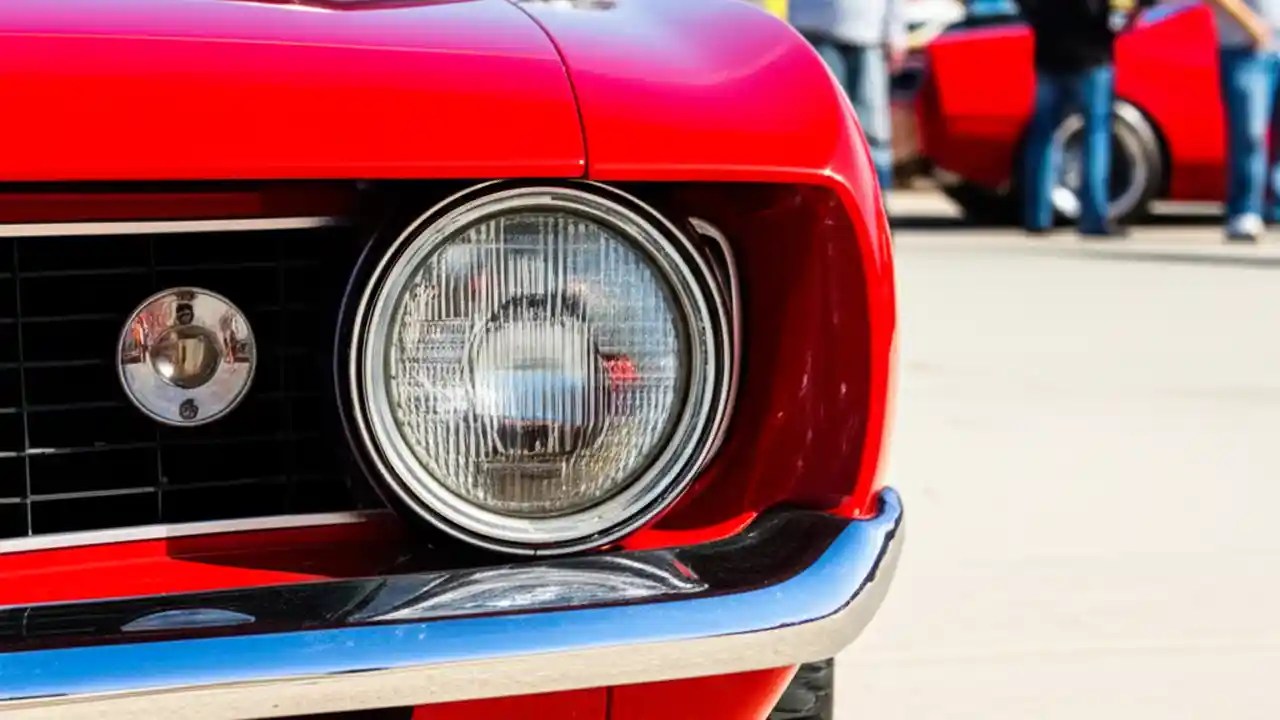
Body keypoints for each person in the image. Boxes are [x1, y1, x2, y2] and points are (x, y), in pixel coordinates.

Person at [1017, 0, 1151, 238]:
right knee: (1095, 134)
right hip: (1091, 50)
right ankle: (1093, 218)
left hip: (1050, 48)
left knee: (1043, 134)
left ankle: (1037, 216)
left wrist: (1038, 19)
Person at [791, 0, 908, 190]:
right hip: (817, 33)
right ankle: (820, 192)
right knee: (823, 126)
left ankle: (876, 194)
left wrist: (896, 33)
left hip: (869, 36)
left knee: (873, 126)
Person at [1205, 0, 1280, 241]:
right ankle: (1245, 209)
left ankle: (1275, 205)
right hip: (1245, 47)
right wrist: (1250, 22)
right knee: (1250, 133)